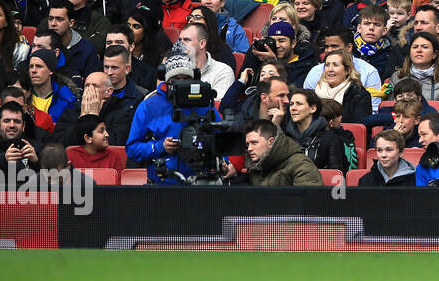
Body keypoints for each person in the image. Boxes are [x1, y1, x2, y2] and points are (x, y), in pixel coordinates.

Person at [126, 45, 224, 183]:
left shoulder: (204, 104)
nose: (181, 84)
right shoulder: (149, 106)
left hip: (201, 184)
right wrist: (160, 147)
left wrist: (224, 162)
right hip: (163, 185)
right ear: (167, 79)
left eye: (186, 78)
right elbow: (132, 149)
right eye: (176, 79)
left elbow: (222, 140)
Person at [240, 119, 323, 185]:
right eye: (248, 144)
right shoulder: (253, 166)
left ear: (271, 141)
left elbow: (310, 201)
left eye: (254, 143)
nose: (249, 149)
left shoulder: (300, 164)